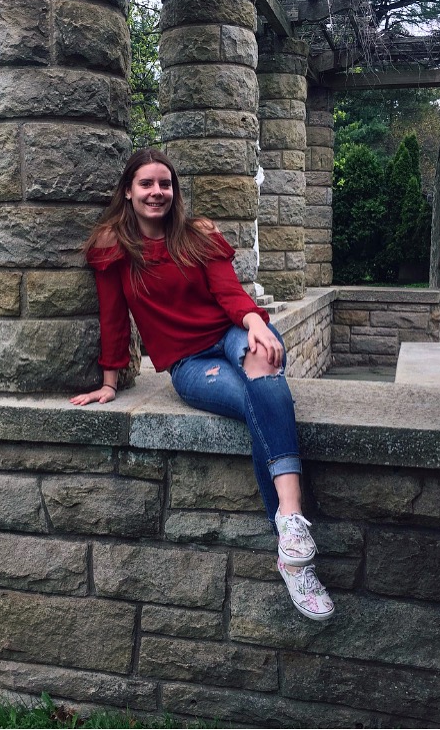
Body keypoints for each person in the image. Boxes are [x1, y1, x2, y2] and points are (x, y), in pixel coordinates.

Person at [70, 149, 334, 621]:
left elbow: (229, 292)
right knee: (261, 401)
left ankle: (291, 528)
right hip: (188, 362)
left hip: (232, 333)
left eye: (165, 184)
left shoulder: (198, 235)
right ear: (128, 191)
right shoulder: (114, 247)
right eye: (146, 184)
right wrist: (110, 381)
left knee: (262, 365)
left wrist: (255, 322)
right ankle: (295, 558)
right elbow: (113, 318)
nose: (157, 192)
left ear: (175, 191)